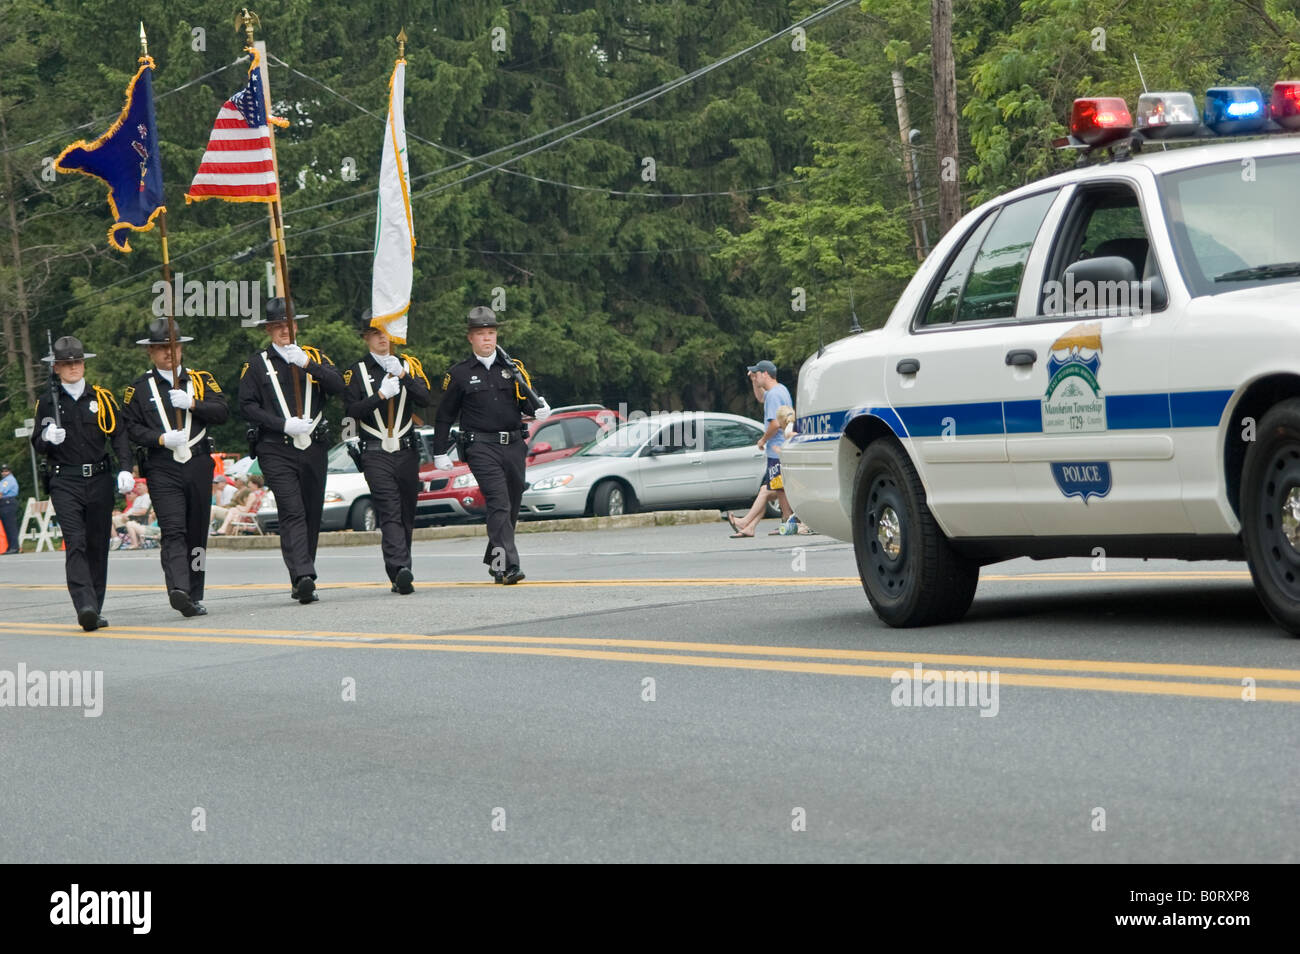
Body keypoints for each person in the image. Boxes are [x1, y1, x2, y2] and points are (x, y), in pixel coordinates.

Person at [432, 306, 551, 584]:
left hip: (513, 444)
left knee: (511, 505)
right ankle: (507, 566)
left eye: (491, 333)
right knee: (498, 502)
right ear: (470, 338)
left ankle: (494, 559)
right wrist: (439, 451)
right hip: (480, 447)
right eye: (481, 334)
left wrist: (539, 408)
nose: (487, 339)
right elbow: (444, 415)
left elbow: (526, 402)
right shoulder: (459, 374)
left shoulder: (513, 368)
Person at [238, 297, 344, 603]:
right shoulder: (257, 365)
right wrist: (282, 424)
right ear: (269, 330)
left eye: (289, 324)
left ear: (296, 325)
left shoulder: (314, 356)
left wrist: (309, 365)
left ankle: (301, 574)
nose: (285, 330)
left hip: (313, 446)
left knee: (311, 511)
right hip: (276, 447)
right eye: (277, 326)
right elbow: (246, 406)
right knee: (292, 509)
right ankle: (303, 574)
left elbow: (341, 388)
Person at [124, 318, 229, 617]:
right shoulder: (139, 389)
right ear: (151, 352)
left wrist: (193, 403)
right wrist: (159, 438)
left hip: (197, 462)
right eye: (161, 348)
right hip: (162, 465)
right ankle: (179, 589)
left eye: (173, 347)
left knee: (198, 533)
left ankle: (195, 593)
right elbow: (130, 428)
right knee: (173, 530)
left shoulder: (201, 380)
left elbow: (222, 411)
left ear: (181, 347)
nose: (169, 353)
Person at [29, 335, 134, 631]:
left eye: (77, 361)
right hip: (66, 480)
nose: (73, 367)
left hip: (99, 479)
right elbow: (37, 441)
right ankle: (84, 604)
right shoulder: (48, 401)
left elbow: (120, 435)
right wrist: (47, 438)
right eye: (66, 363)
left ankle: (95, 608)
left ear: (83, 364)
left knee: (97, 545)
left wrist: (126, 468)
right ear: (57, 368)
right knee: (75, 542)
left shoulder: (102, 398)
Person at [344, 310, 432, 594]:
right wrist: (379, 395)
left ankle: (399, 570)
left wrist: (403, 375)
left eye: (386, 333)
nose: (382, 338)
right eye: (376, 333)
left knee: (406, 511)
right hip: (375, 451)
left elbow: (425, 399)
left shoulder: (408, 365)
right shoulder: (355, 372)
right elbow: (351, 411)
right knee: (389, 509)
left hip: (406, 450)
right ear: (367, 338)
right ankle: (400, 569)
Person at [749, 359, 793, 523]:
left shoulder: (774, 395)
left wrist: (762, 440)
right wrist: (754, 381)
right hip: (783, 445)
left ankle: (788, 520)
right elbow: (761, 398)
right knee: (779, 487)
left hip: (776, 447)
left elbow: (774, 423)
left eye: (757, 373)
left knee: (778, 487)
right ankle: (786, 519)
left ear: (766, 374)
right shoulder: (780, 390)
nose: (756, 376)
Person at [0, 463, 18, 554]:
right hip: (4, 503)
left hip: (7, 503)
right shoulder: (4, 480)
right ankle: (10, 546)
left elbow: (1, 493)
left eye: (6, 470)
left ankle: (14, 547)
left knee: (10, 526)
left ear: (10, 471)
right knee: (7, 526)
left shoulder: (8, 480)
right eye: (2, 471)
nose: (4, 473)